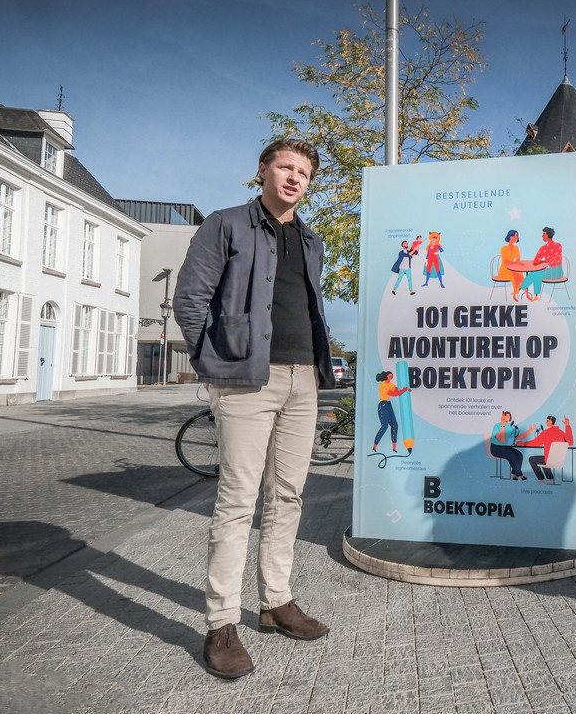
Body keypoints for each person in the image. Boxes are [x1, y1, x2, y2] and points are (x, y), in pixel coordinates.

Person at [173, 138, 335, 680]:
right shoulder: (226, 225)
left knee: (287, 495)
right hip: (245, 380)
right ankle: (221, 622)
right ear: (263, 171)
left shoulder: (311, 241)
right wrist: (211, 361)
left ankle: (276, 602)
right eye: (285, 168)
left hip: (303, 379)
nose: (294, 178)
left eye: (304, 173)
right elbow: (190, 299)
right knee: (237, 500)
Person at [518, 227, 562, 301]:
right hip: (559, 272)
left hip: (553, 273)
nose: (542, 236)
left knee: (535, 274)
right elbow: (553, 259)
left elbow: (535, 262)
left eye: (544, 234)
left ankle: (520, 289)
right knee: (536, 274)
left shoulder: (544, 248)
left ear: (548, 235)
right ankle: (534, 295)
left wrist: (543, 261)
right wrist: (546, 261)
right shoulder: (558, 245)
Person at [490, 410, 535, 480]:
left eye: (509, 416)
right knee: (511, 455)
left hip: (505, 447)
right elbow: (502, 440)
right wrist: (503, 426)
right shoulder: (497, 426)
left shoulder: (510, 427)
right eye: (506, 415)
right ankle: (521, 475)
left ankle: (514, 475)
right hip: (496, 448)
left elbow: (518, 437)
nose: (507, 417)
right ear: (503, 416)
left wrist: (529, 431)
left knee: (519, 455)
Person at [529, 415, 573, 483]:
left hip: (549, 460)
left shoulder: (546, 432)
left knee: (532, 459)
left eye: (547, 421)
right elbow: (570, 442)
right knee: (544, 460)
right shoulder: (561, 432)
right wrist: (567, 425)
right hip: (559, 460)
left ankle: (541, 480)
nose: (546, 422)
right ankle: (550, 479)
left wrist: (523, 444)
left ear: (550, 421)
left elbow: (535, 443)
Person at [373, 370, 409, 451]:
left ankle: (394, 448)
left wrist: (405, 390)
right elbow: (393, 394)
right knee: (384, 426)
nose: (390, 377)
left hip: (388, 404)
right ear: (386, 376)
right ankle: (375, 446)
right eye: (389, 376)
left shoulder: (391, 384)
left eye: (391, 376)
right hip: (383, 405)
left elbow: (396, 390)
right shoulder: (383, 385)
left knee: (395, 425)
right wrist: (403, 390)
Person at [497, 230, 522, 299]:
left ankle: (519, 290)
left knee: (520, 274)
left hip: (513, 268)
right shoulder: (503, 248)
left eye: (517, 236)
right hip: (504, 270)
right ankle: (515, 291)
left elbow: (518, 259)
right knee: (514, 275)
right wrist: (514, 263)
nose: (516, 237)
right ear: (510, 237)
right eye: (515, 236)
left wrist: (516, 263)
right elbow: (505, 261)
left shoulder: (516, 248)